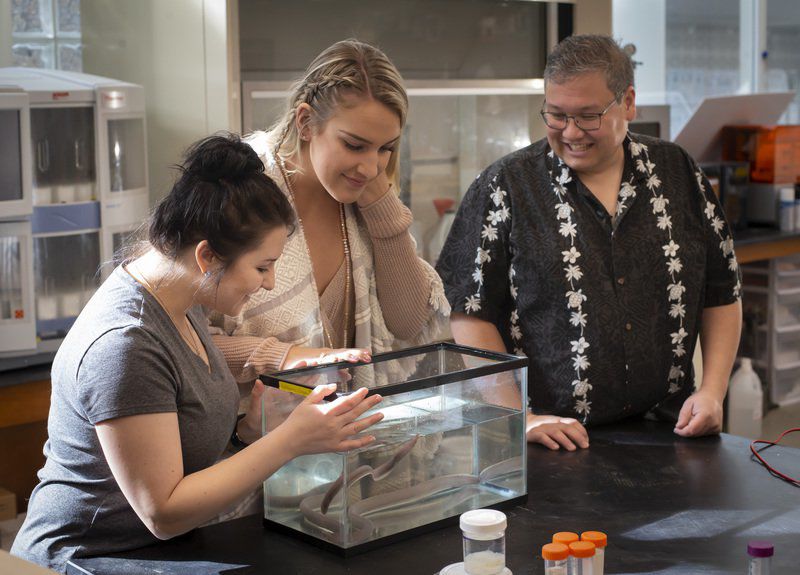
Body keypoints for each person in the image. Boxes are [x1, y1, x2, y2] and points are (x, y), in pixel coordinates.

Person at [11, 134, 384, 573]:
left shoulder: (179, 306)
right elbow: (162, 513)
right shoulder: (125, 343)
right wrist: (289, 441)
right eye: (263, 266)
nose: (268, 283)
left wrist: (249, 431)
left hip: (156, 549)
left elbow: (175, 446)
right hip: (84, 556)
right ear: (207, 256)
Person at [436, 34, 742, 451]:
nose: (571, 132)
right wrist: (519, 417)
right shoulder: (505, 186)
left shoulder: (678, 172)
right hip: (552, 437)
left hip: (670, 426)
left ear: (628, 102)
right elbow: (470, 311)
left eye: (588, 116)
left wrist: (712, 390)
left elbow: (721, 289)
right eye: (556, 115)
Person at [209, 39, 449, 380]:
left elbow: (408, 323)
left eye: (386, 148)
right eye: (354, 145)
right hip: (252, 430)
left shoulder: (365, 197)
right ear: (306, 122)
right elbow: (179, 342)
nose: (369, 167)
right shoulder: (233, 187)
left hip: (349, 426)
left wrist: (382, 206)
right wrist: (286, 357)